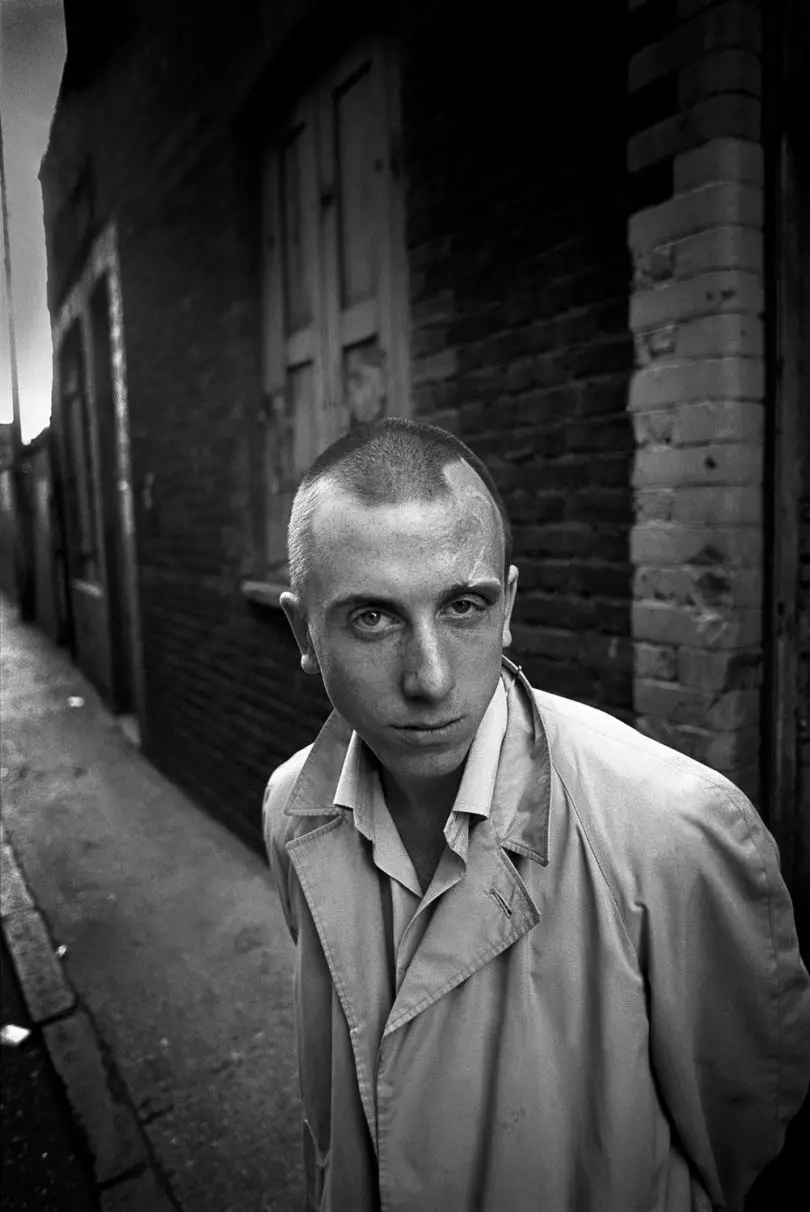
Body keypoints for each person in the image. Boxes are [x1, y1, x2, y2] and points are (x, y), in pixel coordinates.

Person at [263, 417, 810, 1212]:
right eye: (372, 618)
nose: (429, 677)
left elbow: (749, 1130)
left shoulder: (671, 831)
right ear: (301, 631)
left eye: (463, 606)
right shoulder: (294, 808)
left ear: (509, 604)